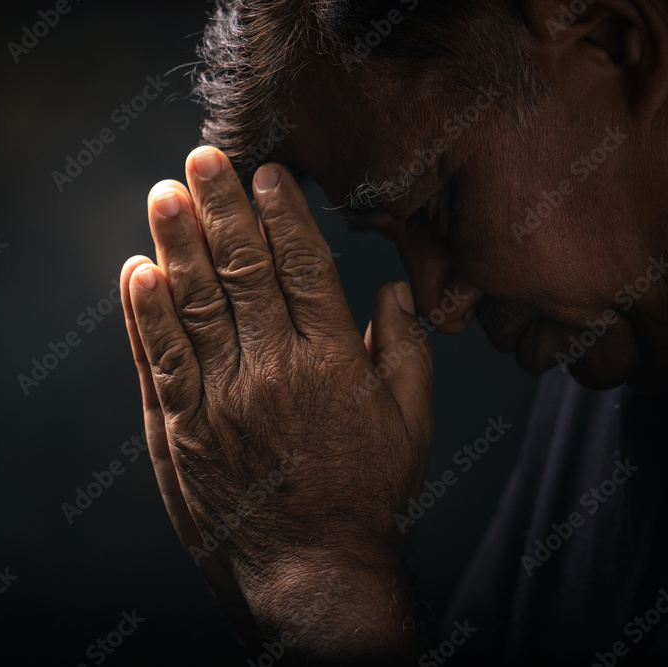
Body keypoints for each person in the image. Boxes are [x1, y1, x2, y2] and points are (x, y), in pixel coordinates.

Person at [118, 0, 668, 664]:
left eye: (436, 203)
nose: (438, 308)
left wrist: (324, 578)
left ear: (611, 39)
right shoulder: (605, 381)